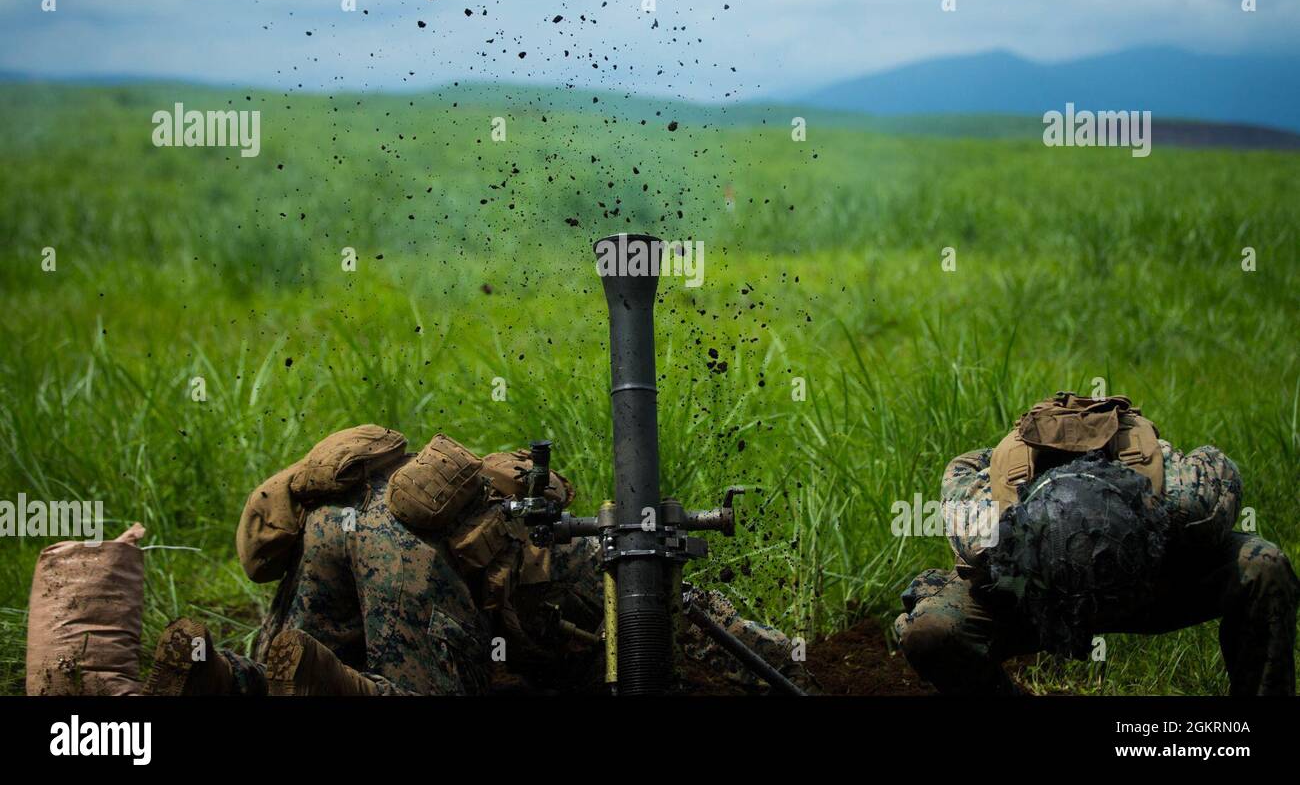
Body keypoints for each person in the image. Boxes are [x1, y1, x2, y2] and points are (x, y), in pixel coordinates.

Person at [145, 425, 811, 695]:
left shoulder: (519, 521)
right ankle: (339, 686)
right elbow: (747, 650)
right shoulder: (650, 600)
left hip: (328, 521)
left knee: (287, 666)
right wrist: (792, 663)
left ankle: (220, 676)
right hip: (405, 556)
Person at [893, 392, 1298, 695]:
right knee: (931, 631)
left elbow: (1217, 462)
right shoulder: (990, 530)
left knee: (1264, 567)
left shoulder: (1185, 505)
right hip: (1030, 595)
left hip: (1154, 579)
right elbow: (963, 467)